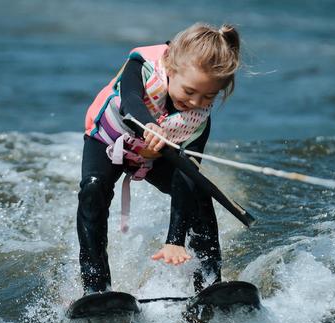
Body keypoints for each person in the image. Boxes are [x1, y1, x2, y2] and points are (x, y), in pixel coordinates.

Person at [77, 23, 241, 295]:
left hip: (155, 156)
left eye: (208, 96)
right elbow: (130, 99)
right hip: (109, 141)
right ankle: (96, 288)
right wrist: (149, 125)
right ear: (171, 67)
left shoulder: (198, 121)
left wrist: (174, 240)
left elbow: (186, 176)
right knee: (93, 187)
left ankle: (210, 282)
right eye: (189, 92)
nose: (197, 102)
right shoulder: (142, 67)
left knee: (199, 192)